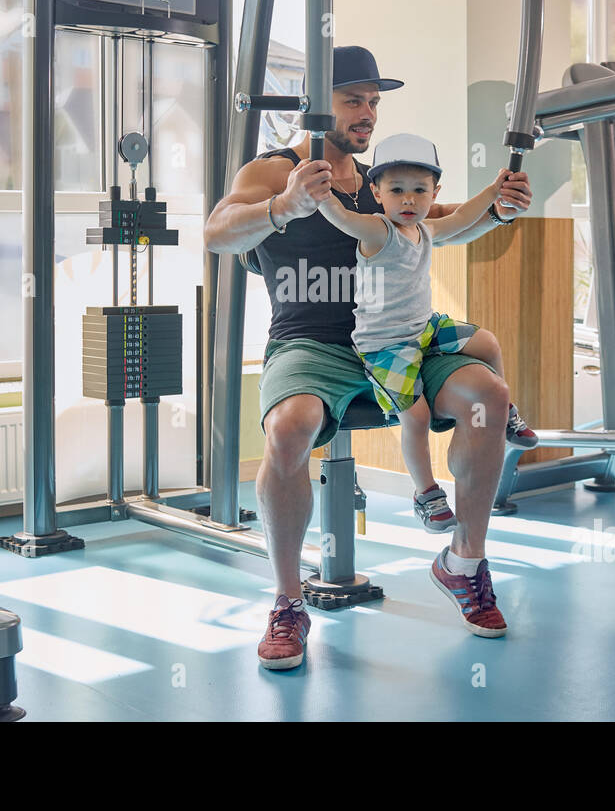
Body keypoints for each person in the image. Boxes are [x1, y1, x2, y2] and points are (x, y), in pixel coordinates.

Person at [202, 46, 533, 670]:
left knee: (488, 395)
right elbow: (217, 233)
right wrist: (283, 207)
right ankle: (288, 602)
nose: (368, 114)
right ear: (314, 104)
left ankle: (464, 563)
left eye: (373, 103)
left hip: (399, 339)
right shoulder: (275, 170)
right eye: (353, 100)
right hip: (312, 342)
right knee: (288, 428)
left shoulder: (379, 181)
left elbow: (442, 224)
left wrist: (499, 210)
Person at [316, 132, 535, 546]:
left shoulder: (426, 230)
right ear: (377, 194)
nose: (408, 200)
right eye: (396, 190)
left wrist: (494, 190)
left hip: (424, 328)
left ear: (434, 193)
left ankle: (506, 412)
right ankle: (426, 492)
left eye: (419, 191)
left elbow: (465, 217)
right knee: (414, 417)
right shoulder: (378, 231)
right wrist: (321, 194)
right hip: (385, 346)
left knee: (487, 343)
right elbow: (343, 219)